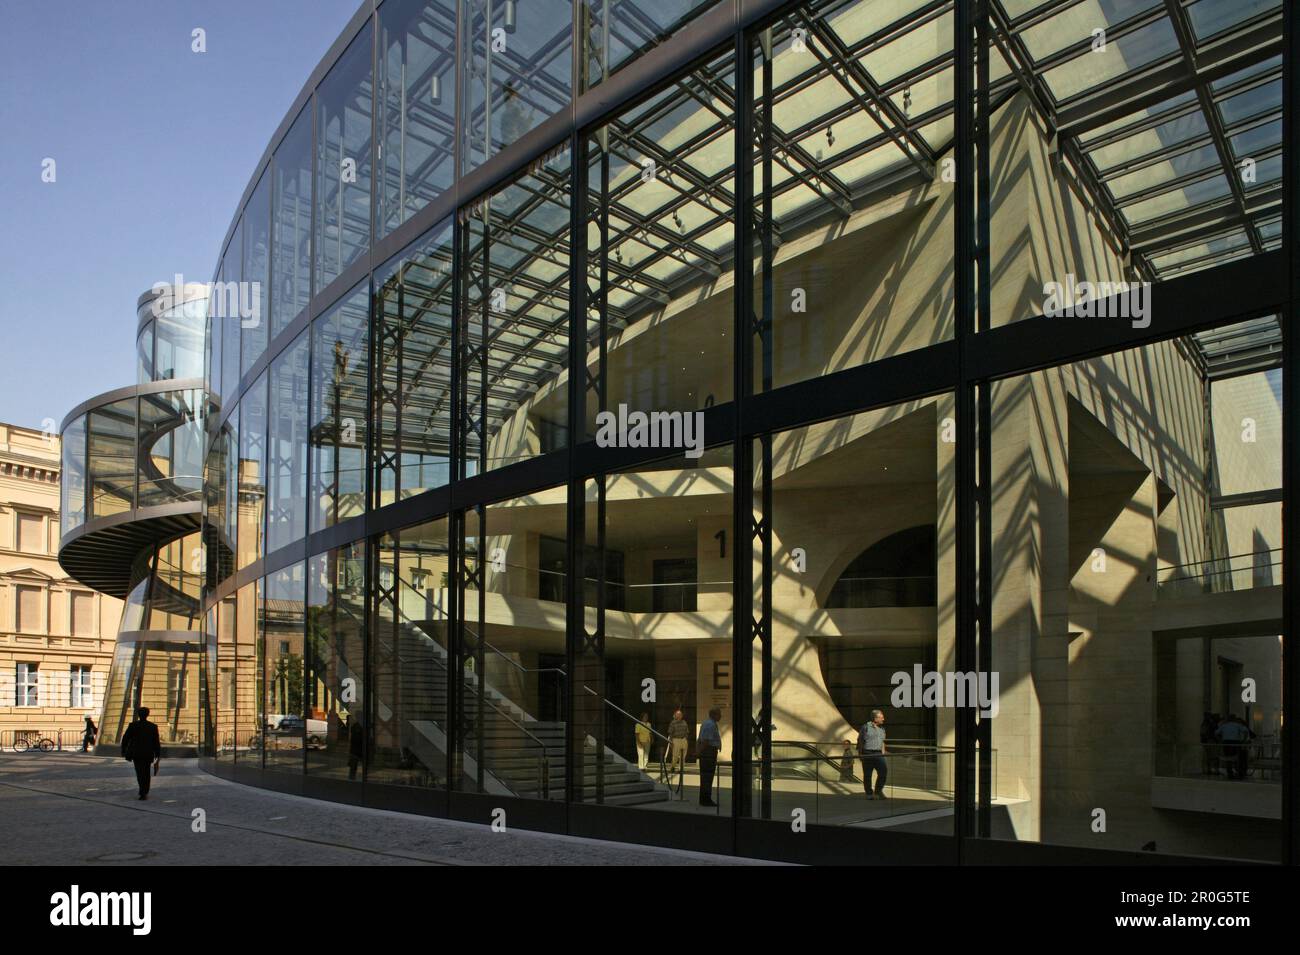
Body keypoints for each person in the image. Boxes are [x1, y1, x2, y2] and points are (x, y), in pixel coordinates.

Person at [120, 707, 162, 800]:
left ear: (139, 715)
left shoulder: (133, 725)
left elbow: (125, 738)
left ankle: (142, 791)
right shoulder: (152, 726)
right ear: (148, 714)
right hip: (148, 753)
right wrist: (157, 754)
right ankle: (145, 791)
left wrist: (123, 750)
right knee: (146, 772)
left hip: (136, 753)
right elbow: (156, 742)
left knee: (139, 772)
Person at [857, 709, 888, 800]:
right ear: (875, 718)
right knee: (867, 774)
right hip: (867, 753)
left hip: (878, 754)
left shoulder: (882, 729)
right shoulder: (865, 727)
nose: (883, 719)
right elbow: (860, 741)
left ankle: (878, 791)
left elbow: (883, 742)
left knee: (883, 772)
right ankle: (869, 793)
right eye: (881, 718)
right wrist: (860, 754)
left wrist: (883, 753)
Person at [697, 707, 722, 807]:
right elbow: (706, 741)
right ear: (714, 715)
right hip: (708, 753)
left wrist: (698, 751)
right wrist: (699, 752)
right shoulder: (711, 725)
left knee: (705, 777)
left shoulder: (707, 723)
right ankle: (706, 799)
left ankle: (703, 798)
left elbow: (700, 740)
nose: (720, 716)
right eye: (719, 714)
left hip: (708, 752)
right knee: (707, 776)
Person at [1215, 713, 1253, 780]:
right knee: (1236, 758)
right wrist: (1243, 741)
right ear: (1234, 719)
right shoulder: (1237, 725)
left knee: (1228, 758)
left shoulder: (1224, 725)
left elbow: (1216, 733)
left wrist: (1220, 740)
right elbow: (1246, 731)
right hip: (1235, 742)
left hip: (1226, 742)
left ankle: (1230, 773)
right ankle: (1237, 772)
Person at [667, 709, 689, 778]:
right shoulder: (673, 723)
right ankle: (673, 767)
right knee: (675, 756)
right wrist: (670, 742)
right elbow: (670, 733)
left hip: (683, 740)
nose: (679, 715)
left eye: (680, 714)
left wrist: (686, 738)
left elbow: (687, 731)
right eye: (678, 714)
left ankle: (681, 769)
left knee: (683, 756)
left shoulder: (684, 722)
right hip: (676, 740)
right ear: (675, 715)